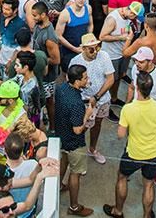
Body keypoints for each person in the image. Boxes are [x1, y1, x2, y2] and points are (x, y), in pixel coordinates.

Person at [102, 72, 156, 218]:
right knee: (149, 184)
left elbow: (120, 135)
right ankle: (146, 215)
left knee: (122, 177)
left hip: (133, 152)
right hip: (154, 151)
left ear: (137, 87)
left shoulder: (128, 109)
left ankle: (118, 211)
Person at [54, 64, 96, 217]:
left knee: (63, 159)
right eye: (85, 78)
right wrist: (88, 114)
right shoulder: (77, 104)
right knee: (75, 173)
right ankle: (74, 207)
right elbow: (78, 129)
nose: (87, 80)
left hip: (61, 135)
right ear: (77, 81)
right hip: (74, 142)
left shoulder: (61, 88)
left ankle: (58, 186)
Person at [72, 33, 115, 164]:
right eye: (91, 49)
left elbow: (110, 79)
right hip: (84, 102)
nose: (95, 51)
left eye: (97, 47)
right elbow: (72, 84)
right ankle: (76, 153)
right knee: (82, 127)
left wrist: (97, 97)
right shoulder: (75, 62)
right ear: (83, 49)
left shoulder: (104, 56)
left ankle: (92, 149)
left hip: (102, 100)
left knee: (97, 125)